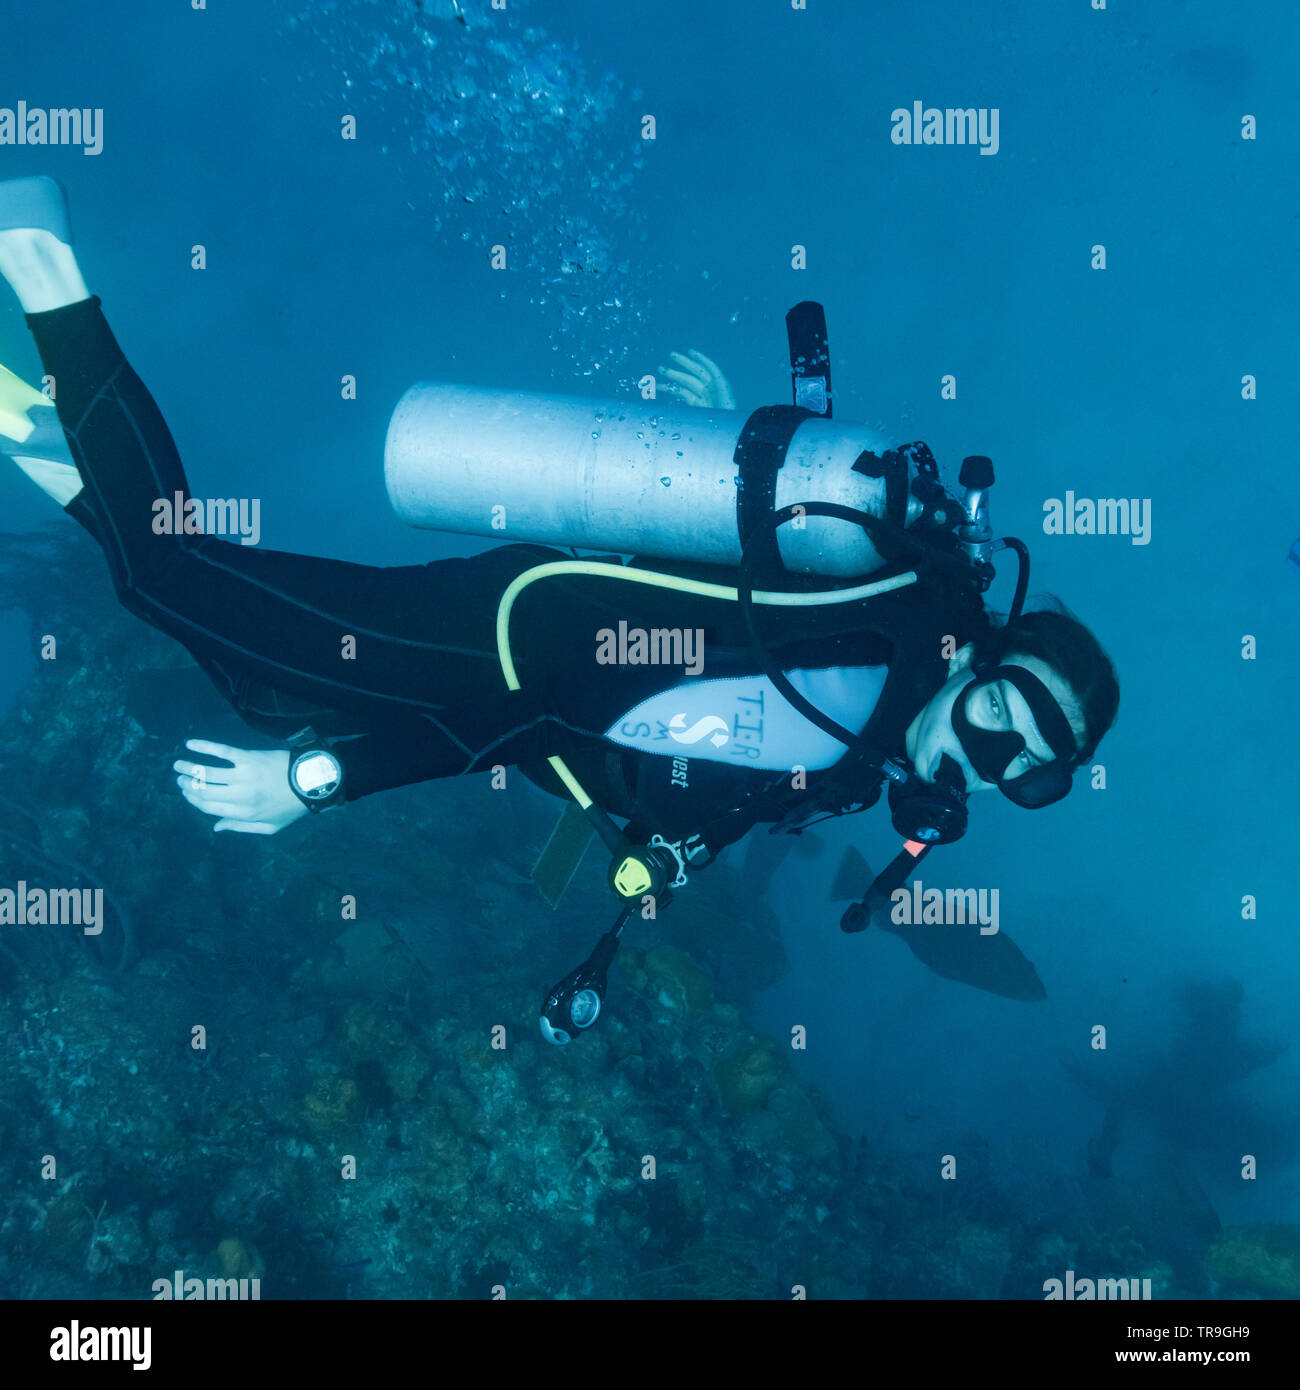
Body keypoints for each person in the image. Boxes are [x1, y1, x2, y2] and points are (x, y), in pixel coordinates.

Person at [0, 176, 1117, 865]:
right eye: (1002, 721)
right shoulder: (863, 662)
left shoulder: (859, 740)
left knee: (257, 677)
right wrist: (319, 785)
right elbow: (547, 707)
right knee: (173, 579)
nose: (991, 764)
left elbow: (612, 718)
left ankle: (46, 439)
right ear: (976, 655)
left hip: (522, 662)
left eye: (1029, 775)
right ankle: (36, 252)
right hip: (506, 635)